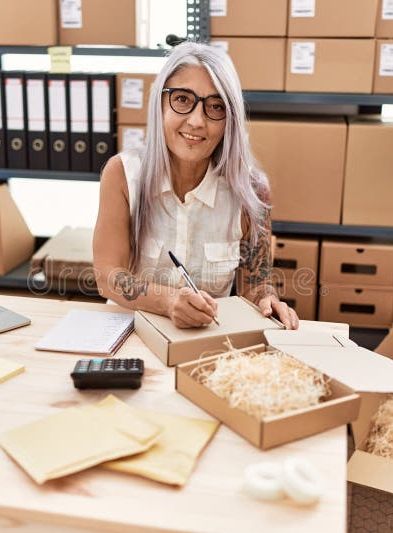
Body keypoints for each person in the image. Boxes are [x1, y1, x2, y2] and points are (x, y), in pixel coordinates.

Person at [93, 41, 299, 330]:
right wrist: (167, 301)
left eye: (215, 106)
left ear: (230, 119)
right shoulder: (122, 174)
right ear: (160, 104)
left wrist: (267, 300)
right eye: (182, 100)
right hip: (128, 333)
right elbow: (107, 275)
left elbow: (256, 286)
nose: (196, 121)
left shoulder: (252, 190)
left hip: (205, 340)